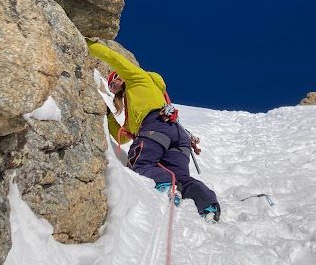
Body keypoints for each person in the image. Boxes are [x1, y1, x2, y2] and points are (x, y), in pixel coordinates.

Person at [87, 39, 221, 222]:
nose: (113, 84)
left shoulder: (137, 77)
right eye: (111, 84)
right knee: (182, 177)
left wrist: (86, 44)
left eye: (115, 79)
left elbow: (113, 57)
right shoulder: (145, 101)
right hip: (178, 134)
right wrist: (109, 116)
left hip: (155, 126)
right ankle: (208, 205)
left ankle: (166, 185)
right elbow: (125, 137)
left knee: (139, 164)